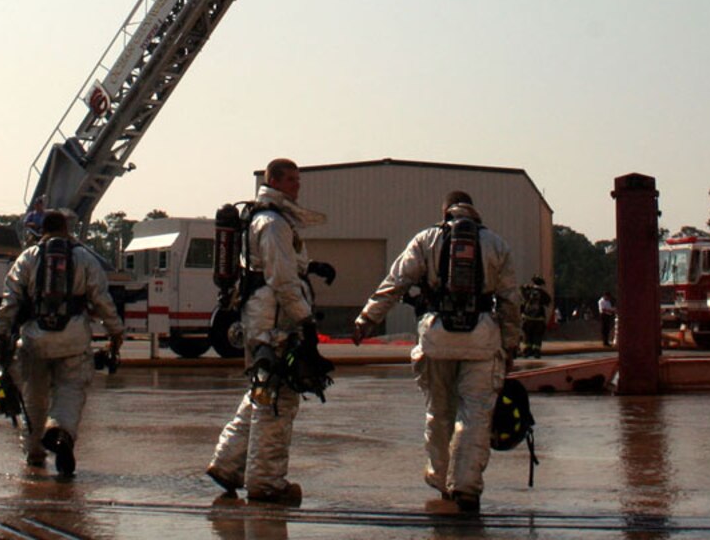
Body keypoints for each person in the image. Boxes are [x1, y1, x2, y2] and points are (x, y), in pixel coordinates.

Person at [351, 190, 520, 514]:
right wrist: (511, 343)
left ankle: (442, 481)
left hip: (436, 336)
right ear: (475, 210)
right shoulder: (496, 244)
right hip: (482, 338)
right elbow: (510, 300)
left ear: (445, 212)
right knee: (475, 415)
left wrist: (368, 318)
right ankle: (467, 487)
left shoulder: (426, 239)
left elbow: (396, 281)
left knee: (439, 412)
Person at [207, 158, 329, 506]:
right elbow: (282, 278)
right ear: (273, 181)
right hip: (275, 320)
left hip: (262, 315)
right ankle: (267, 483)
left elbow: (279, 268)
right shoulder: (273, 223)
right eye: (291, 180)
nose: (297, 186)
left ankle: (227, 464)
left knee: (261, 391)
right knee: (278, 398)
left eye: (298, 179)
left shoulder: (264, 220)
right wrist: (304, 320)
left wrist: (311, 267)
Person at [0, 209, 124, 476]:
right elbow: (101, 299)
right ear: (66, 230)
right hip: (73, 339)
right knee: (71, 390)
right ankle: (60, 432)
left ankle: (35, 454)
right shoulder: (84, 258)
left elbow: (10, 300)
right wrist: (116, 332)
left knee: (34, 398)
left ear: (41, 231)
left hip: (34, 342)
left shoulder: (28, 258)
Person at [519, 274, 552, 358]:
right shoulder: (543, 293)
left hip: (527, 319)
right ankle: (536, 352)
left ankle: (527, 351)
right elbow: (548, 301)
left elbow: (521, 292)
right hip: (539, 320)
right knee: (537, 336)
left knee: (527, 335)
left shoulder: (528, 290)